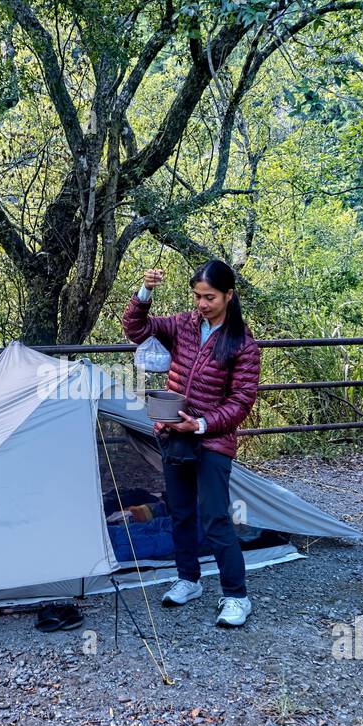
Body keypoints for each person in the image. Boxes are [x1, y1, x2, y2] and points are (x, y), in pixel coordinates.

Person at [121, 259, 262, 627]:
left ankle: (236, 596)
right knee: (180, 512)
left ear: (229, 295)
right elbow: (136, 329)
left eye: (209, 297)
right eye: (197, 296)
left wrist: (200, 423)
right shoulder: (183, 325)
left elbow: (241, 401)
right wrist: (145, 291)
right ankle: (188, 580)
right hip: (172, 434)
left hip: (211, 442)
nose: (201, 304)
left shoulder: (243, 344)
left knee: (215, 518)